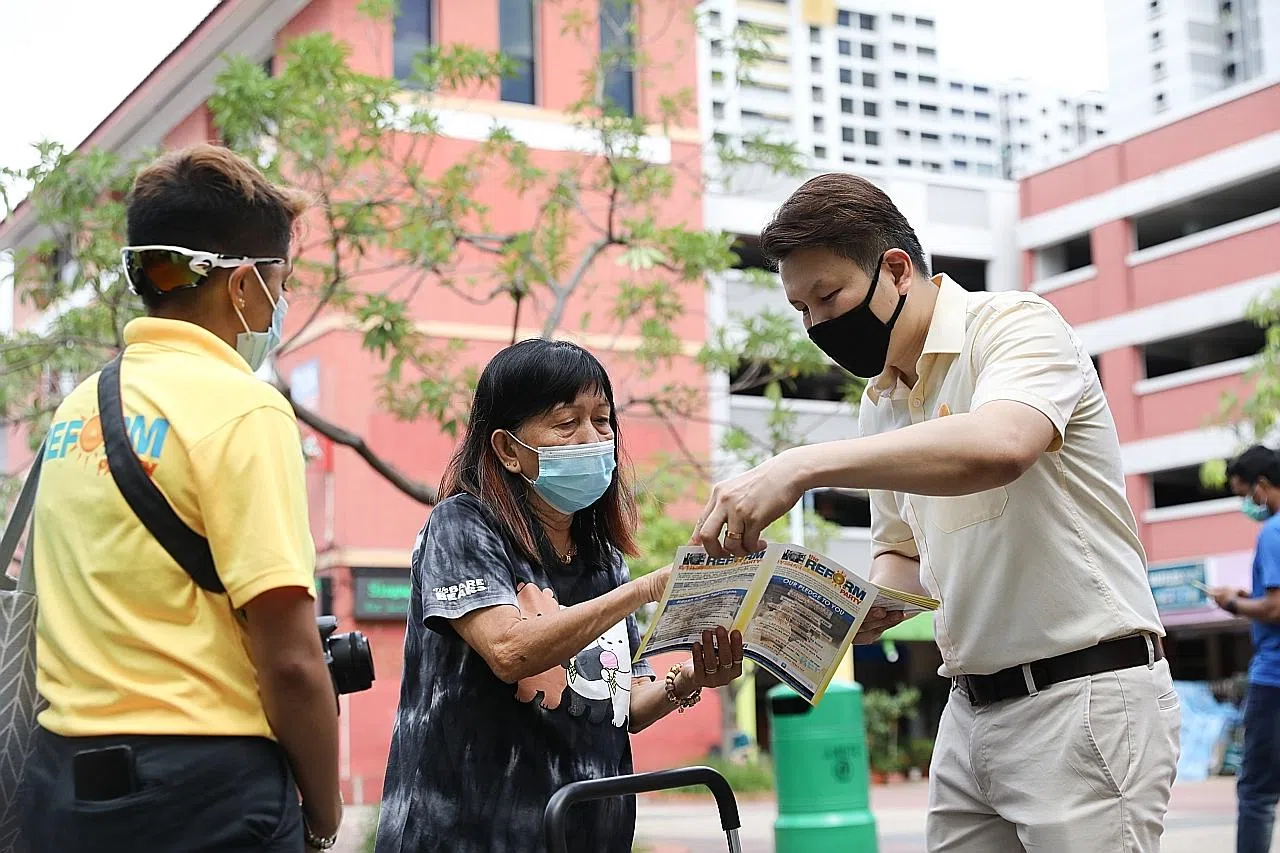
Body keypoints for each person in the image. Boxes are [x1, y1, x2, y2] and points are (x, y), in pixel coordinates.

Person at [691, 173, 1180, 852]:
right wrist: (855, 604)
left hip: (1082, 696)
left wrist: (797, 466)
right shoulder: (882, 399)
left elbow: (1003, 443)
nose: (817, 326)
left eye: (827, 296)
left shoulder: (1014, 325)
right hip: (969, 711)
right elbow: (905, 557)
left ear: (896, 270)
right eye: (801, 308)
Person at [23, 145, 343, 852]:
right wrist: (323, 812)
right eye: (281, 281)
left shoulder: (76, 410)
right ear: (243, 288)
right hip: (203, 800)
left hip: (61, 794)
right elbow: (290, 660)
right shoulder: (243, 410)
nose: (282, 302)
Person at [375, 339, 744, 853]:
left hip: (582, 834)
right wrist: (644, 589)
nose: (593, 439)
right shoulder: (462, 526)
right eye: (567, 423)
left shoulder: (603, 560)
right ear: (508, 450)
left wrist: (691, 679)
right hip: (470, 836)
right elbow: (509, 651)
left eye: (602, 420)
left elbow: (623, 704)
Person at [1215, 445, 1280, 853]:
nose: (1247, 504)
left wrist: (1233, 603)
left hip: (1274, 679)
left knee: (1256, 791)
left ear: (1262, 485)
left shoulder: (1273, 531)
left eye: (1246, 495)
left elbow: (1275, 606)